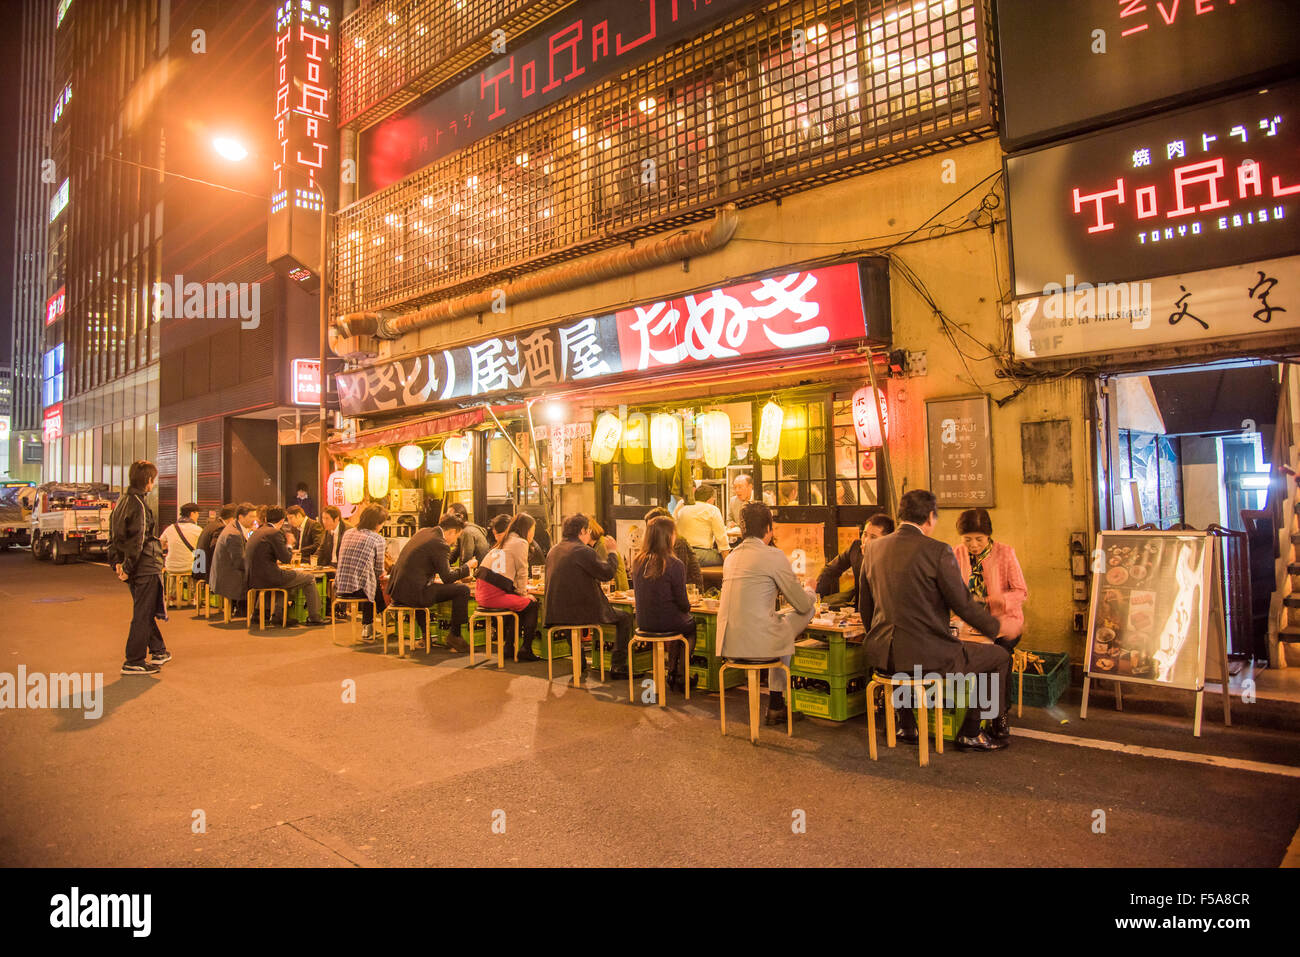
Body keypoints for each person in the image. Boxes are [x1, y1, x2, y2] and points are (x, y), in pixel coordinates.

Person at [857, 489, 1012, 753]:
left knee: (904, 662)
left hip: (882, 654)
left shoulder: (873, 549)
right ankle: (972, 731)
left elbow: (866, 606)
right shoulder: (938, 551)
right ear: (930, 517)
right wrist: (996, 628)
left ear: (901, 515)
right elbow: (962, 603)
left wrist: (880, 637)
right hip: (928, 657)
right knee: (998, 656)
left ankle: (907, 725)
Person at [716, 502, 816, 725]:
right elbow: (801, 604)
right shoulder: (773, 555)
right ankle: (777, 704)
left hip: (728, 645)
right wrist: (811, 590)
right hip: (760, 644)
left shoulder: (730, 558)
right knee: (808, 609)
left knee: (781, 631)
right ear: (769, 528)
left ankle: (776, 705)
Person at [544, 514, 632, 678]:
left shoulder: (553, 550)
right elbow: (606, 574)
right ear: (583, 531)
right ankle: (618, 666)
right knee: (625, 618)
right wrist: (612, 552)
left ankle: (580, 661)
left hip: (554, 612)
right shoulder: (582, 550)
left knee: (569, 618)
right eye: (588, 531)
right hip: (582, 612)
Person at [108, 461, 170, 676]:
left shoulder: (122, 502)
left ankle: (158, 650)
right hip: (144, 566)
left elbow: (115, 536)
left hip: (134, 566)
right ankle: (134, 660)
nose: (154, 483)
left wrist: (118, 563)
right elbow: (139, 539)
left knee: (144, 610)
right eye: (154, 478)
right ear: (148, 480)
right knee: (143, 614)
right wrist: (127, 565)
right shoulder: (139, 504)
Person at [389, 511, 476, 652]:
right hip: (414, 595)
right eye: (457, 537)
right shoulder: (440, 543)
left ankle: (426, 637)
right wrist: (467, 567)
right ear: (453, 532)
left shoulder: (424, 532)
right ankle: (455, 635)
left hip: (398, 591)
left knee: (426, 586)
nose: (454, 542)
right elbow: (447, 577)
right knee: (462, 590)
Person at [631, 515, 696, 691]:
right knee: (689, 626)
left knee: (678, 624)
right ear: (668, 536)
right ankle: (681, 674)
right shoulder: (674, 563)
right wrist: (689, 607)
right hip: (668, 621)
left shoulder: (637, 561)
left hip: (643, 622)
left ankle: (673, 672)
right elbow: (683, 603)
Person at [953, 508, 1028, 643]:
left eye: (979, 539)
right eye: (967, 539)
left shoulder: (1005, 553)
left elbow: (1021, 592)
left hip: (1003, 622)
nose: (973, 545)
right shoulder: (957, 553)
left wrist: (1001, 599)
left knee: (995, 654)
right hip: (968, 622)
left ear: (988, 535)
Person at [474, 513, 542, 661]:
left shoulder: (506, 539)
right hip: (493, 594)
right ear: (526, 529)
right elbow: (522, 571)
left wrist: (519, 594)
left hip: (482, 592)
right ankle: (526, 648)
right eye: (533, 529)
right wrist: (523, 594)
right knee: (532, 604)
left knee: (519, 604)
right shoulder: (520, 543)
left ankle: (508, 647)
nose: (533, 533)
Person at [246, 507, 327, 626]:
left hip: (253, 578)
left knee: (288, 581)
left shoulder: (258, 531)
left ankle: (270, 615)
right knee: (309, 578)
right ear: (281, 521)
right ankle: (314, 617)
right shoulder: (274, 533)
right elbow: (286, 558)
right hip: (270, 578)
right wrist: (289, 544)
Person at [334, 505, 390, 640]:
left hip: (340, 587)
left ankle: (377, 620)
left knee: (368, 580)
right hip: (360, 590)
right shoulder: (378, 539)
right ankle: (381, 617)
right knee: (373, 582)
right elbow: (378, 570)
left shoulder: (348, 533)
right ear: (378, 523)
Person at [816, 513, 895, 607]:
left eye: (873, 537)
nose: (866, 540)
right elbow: (830, 570)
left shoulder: (892, 558)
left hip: (883, 609)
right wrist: (815, 595)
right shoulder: (856, 548)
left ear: (886, 540)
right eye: (865, 535)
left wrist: (870, 557)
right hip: (859, 606)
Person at [212, 503, 257, 615]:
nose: (254, 519)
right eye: (251, 517)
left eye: (255, 516)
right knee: (263, 578)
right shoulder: (234, 534)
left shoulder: (234, 526)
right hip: (229, 577)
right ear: (241, 517)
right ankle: (258, 613)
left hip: (226, 573)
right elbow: (240, 563)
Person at [644, 507, 703, 588]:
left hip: (690, 591)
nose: (650, 532)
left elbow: (678, 576)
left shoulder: (678, 542)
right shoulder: (656, 547)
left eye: (653, 528)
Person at [673, 484, 730, 566]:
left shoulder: (683, 508)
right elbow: (722, 538)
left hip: (680, 554)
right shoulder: (712, 509)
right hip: (699, 555)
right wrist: (728, 563)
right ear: (710, 499)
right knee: (731, 557)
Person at [194, 503, 236, 582]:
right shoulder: (220, 528)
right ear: (232, 519)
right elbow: (216, 551)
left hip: (199, 568)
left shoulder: (211, 525)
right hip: (208, 572)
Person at [160, 503, 203, 576]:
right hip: (189, 568)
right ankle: (193, 587)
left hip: (171, 568)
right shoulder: (198, 530)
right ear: (192, 513)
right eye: (197, 513)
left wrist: (171, 545)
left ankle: (173, 587)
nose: (198, 516)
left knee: (173, 585)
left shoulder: (170, 528)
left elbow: (160, 545)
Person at [588, 517, 628, 591]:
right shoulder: (597, 545)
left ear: (590, 531)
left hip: (616, 589)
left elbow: (604, 572)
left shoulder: (602, 545)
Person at [446, 501, 491, 567]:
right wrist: (443, 564)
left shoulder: (467, 532)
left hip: (478, 573)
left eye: (450, 516)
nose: (448, 520)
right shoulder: (465, 529)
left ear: (461, 516)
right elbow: (455, 552)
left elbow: (466, 559)